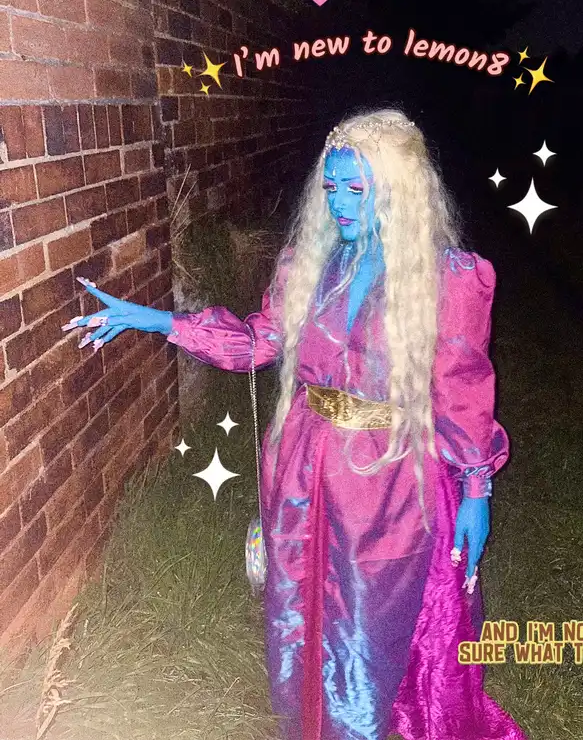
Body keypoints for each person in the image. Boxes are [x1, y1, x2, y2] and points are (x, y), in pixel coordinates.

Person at [65, 109, 526, 740]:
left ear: (399, 190)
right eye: (331, 187)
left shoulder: (450, 280)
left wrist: (477, 490)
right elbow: (261, 341)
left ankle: (365, 724)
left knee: (369, 624)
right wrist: (162, 321)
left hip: (389, 483)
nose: (340, 203)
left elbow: (462, 392)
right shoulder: (307, 265)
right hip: (303, 468)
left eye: (357, 189)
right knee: (300, 610)